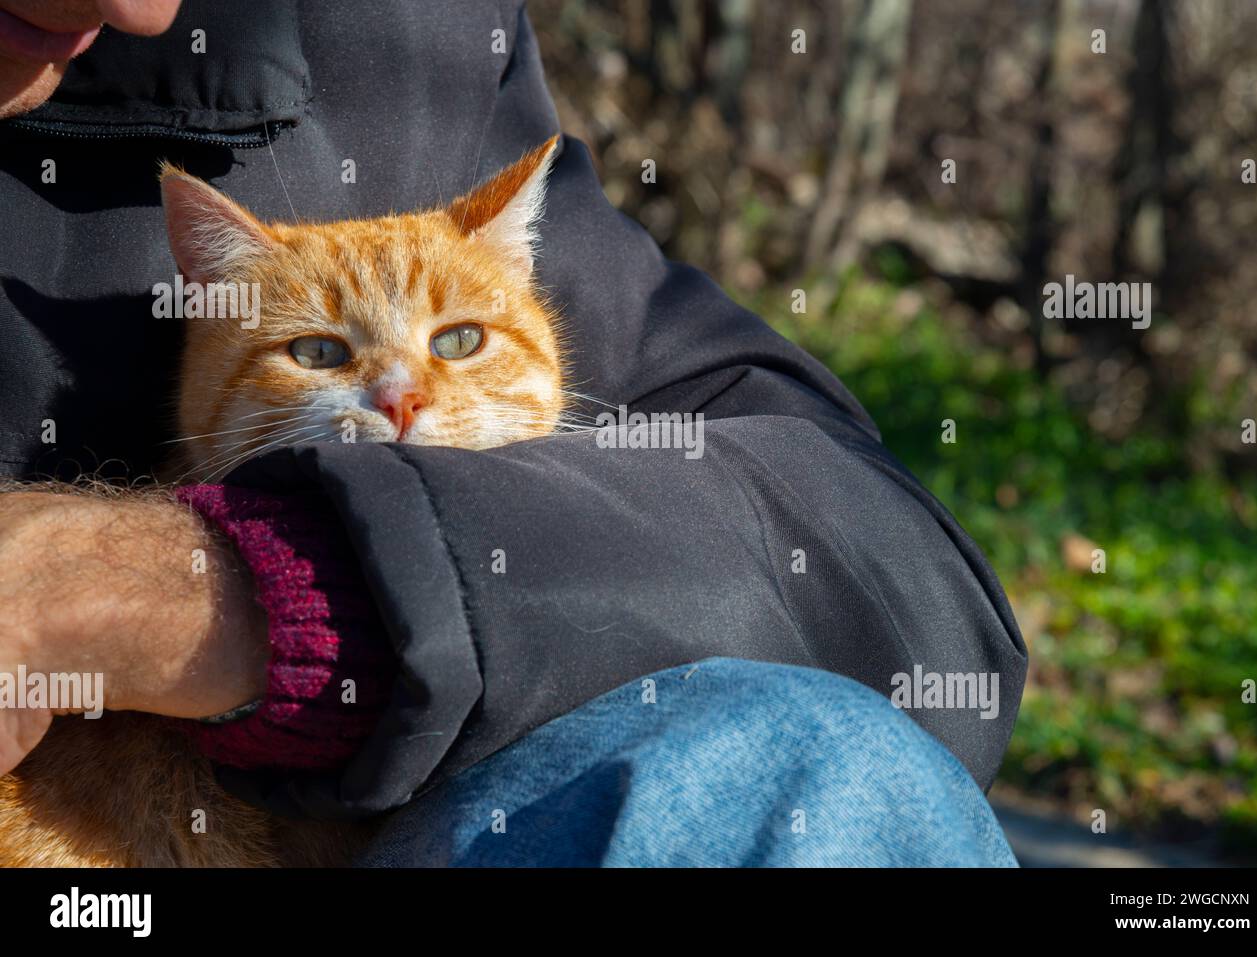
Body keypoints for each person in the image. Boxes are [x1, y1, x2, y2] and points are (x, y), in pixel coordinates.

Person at [0, 0, 1026, 864]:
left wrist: (294, 580)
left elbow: (895, 568)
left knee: (813, 756)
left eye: (457, 339)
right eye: (321, 354)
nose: (401, 397)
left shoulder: (418, 40)